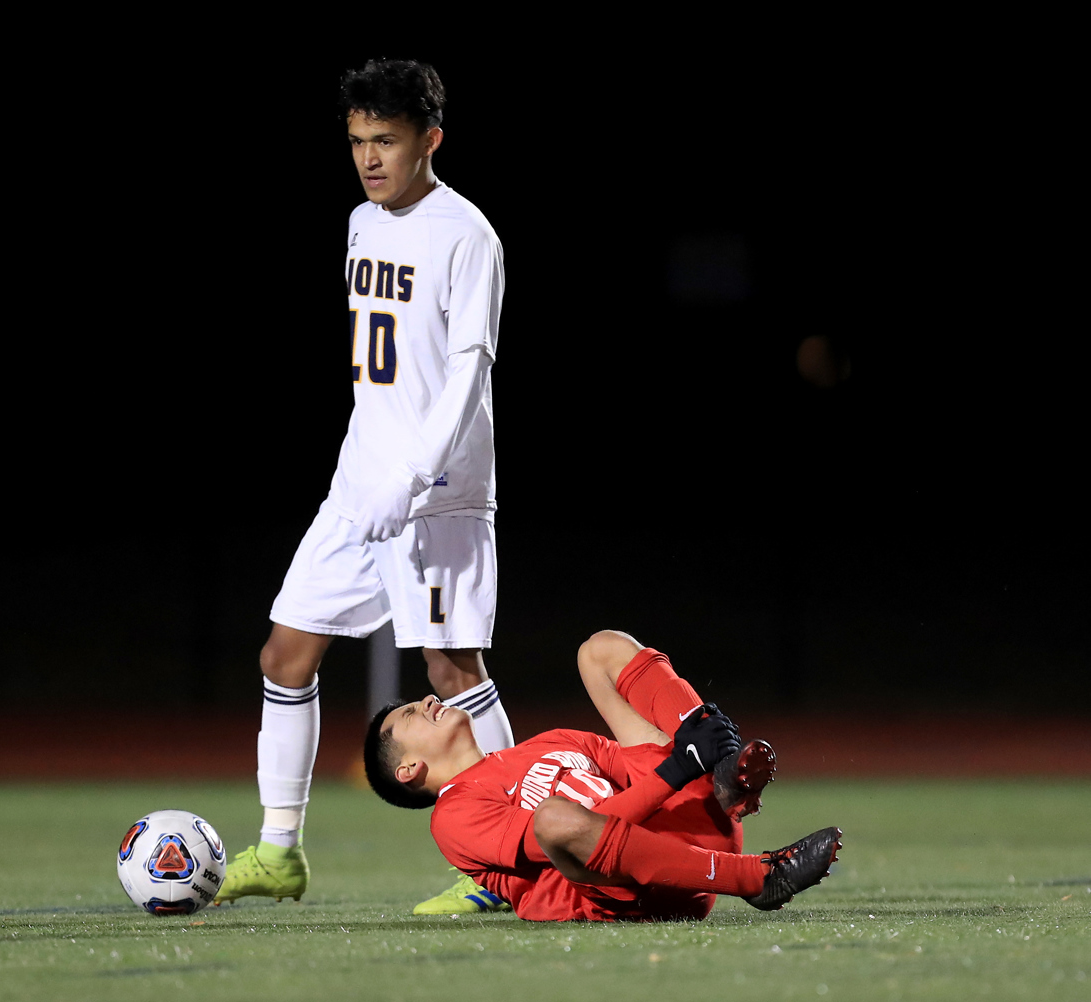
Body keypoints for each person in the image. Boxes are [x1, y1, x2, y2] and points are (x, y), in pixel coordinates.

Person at [216, 58, 513, 915]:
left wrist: (419, 474)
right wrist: (374, 473)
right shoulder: (360, 222)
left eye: (386, 140)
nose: (369, 159)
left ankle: (508, 865)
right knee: (285, 655)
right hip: (358, 486)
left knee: (453, 670)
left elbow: (468, 370)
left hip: (438, 492)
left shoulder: (468, 234)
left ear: (432, 140)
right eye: (357, 142)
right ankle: (278, 851)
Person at [363, 630, 842, 921]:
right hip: (630, 893)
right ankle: (758, 876)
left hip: (686, 834)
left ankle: (723, 773)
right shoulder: (453, 816)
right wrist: (678, 766)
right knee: (552, 820)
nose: (426, 701)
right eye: (408, 714)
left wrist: (689, 751)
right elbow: (567, 837)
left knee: (599, 650)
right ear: (408, 771)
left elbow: (639, 766)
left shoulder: (548, 742)